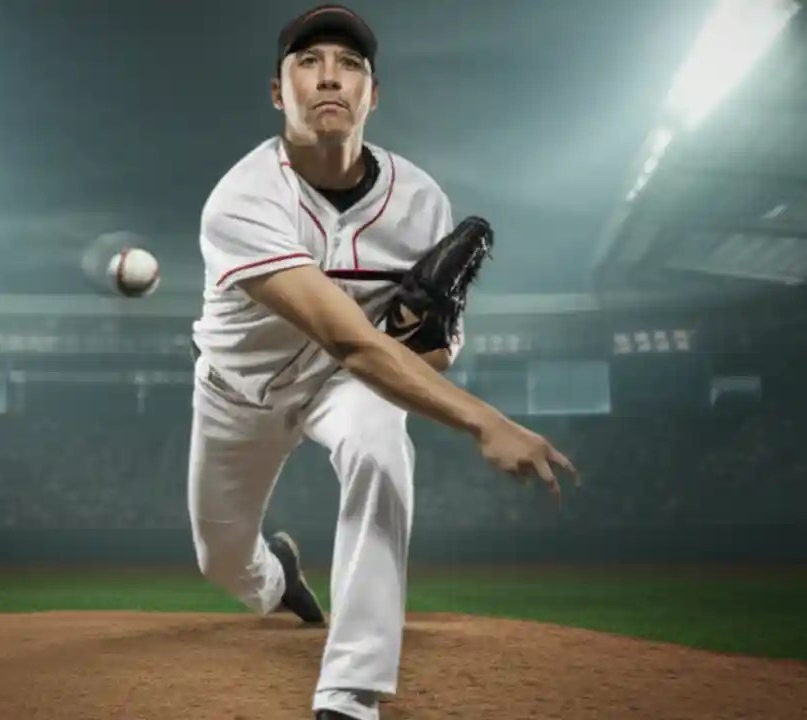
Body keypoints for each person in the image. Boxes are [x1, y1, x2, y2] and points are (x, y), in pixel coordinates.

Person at [186, 5, 578, 719]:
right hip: (239, 392)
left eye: (350, 64)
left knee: (379, 444)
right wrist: (486, 422)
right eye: (307, 62)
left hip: (348, 384)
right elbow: (350, 338)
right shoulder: (241, 200)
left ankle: (350, 691)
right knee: (220, 557)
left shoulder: (421, 201)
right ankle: (277, 582)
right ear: (279, 92)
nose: (329, 76)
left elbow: (422, 354)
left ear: (374, 93)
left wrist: (419, 332)